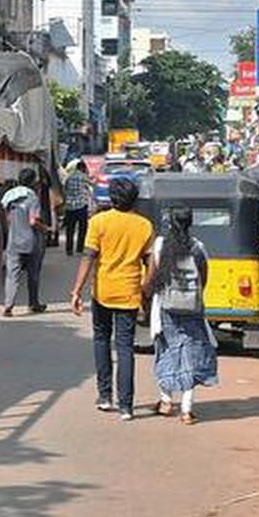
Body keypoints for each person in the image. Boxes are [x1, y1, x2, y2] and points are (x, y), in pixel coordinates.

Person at [70, 177, 154, 421]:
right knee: (125, 347)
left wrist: (77, 291)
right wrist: (145, 290)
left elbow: (88, 256)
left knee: (101, 340)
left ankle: (105, 396)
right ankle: (127, 406)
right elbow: (151, 263)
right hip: (129, 293)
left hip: (103, 292)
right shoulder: (144, 226)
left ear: (112, 198)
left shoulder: (98, 222)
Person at [143, 207, 218, 425]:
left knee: (166, 351)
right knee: (190, 356)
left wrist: (144, 298)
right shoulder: (198, 247)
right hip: (192, 309)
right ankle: (186, 410)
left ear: (170, 222)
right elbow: (204, 278)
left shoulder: (160, 245)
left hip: (165, 307)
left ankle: (166, 402)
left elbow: (150, 277)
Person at [1, 168, 48, 317]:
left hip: (14, 241)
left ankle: (8, 305)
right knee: (33, 274)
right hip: (31, 242)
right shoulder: (31, 196)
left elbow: (7, 218)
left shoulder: (9, 196)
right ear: (32, 182)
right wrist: (45, 228)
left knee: (12, 275)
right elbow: (33, 221)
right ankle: (33, 304)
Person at [62, 159, 92, 256]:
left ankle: (69, 249)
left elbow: (64, 188)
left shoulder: (68, 176)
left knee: (70, 229)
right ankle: (79, 249)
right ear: (83, 168)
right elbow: (90, 186)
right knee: (82, 229)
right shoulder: (84, 177)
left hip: (69, 206)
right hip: (81, 205)